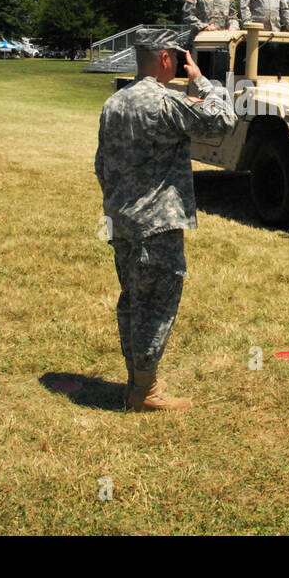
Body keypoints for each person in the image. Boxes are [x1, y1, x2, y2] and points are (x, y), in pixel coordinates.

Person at [94, 27, 236, 411]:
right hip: (157, 225)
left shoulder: (115, 103)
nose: (179, 62)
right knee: (156, 304)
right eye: (177, 56)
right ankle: (145, 392)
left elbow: (100, 164)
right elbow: (223, 120)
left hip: (121, 221)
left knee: (132, 300)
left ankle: (139, 380)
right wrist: (204, 81)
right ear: (164, 60)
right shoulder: (164, 103)